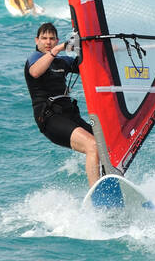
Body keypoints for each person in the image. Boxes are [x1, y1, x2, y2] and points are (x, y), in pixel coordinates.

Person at [25, 23, 100, 186]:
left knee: (105, 144)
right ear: (36, 40)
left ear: (56, 39)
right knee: (92, 145)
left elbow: (91, 62)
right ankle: (99, 198)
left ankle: (110, 183)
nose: (48, 42)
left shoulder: (61, 62)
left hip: (69, 115)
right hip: (49, 118)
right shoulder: (34, 59)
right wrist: (58, 49)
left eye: (52, 39)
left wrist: (94, 45)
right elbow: (35, 72)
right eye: (44, 38)